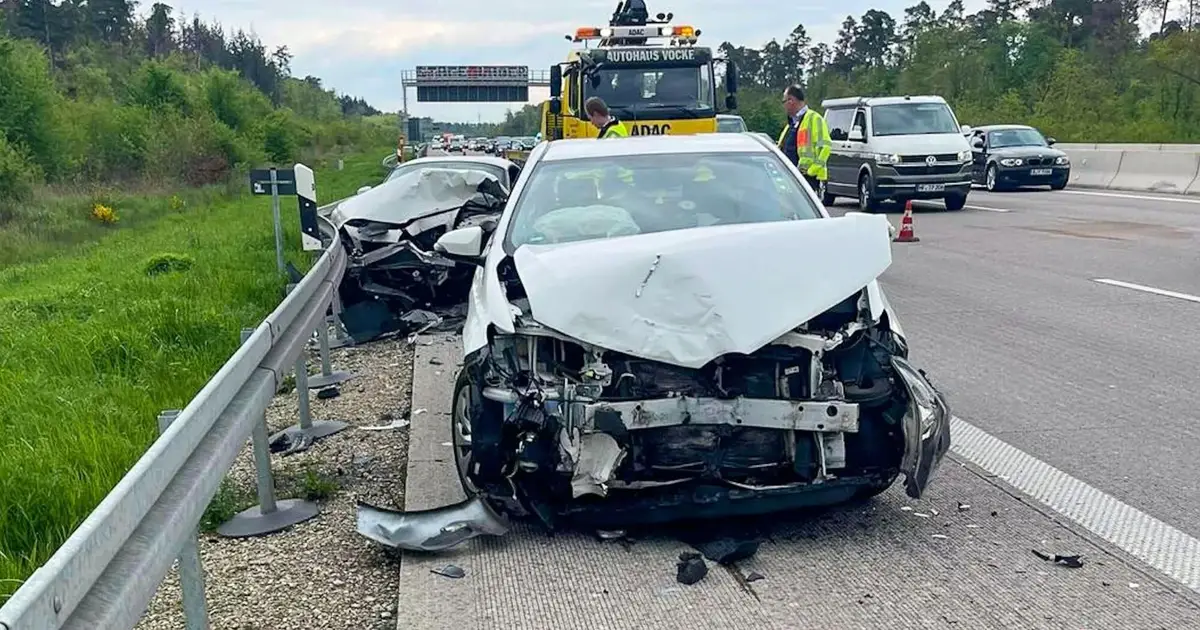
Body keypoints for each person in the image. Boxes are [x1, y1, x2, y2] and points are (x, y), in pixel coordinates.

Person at [777, 85, 831, 196]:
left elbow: (825, 147)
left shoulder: (814, 118)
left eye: (784, 101)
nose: (784, 106)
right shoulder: (791, 125)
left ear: (791, 101)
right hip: (791, 179)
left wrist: (812, 171)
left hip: (807, 180)